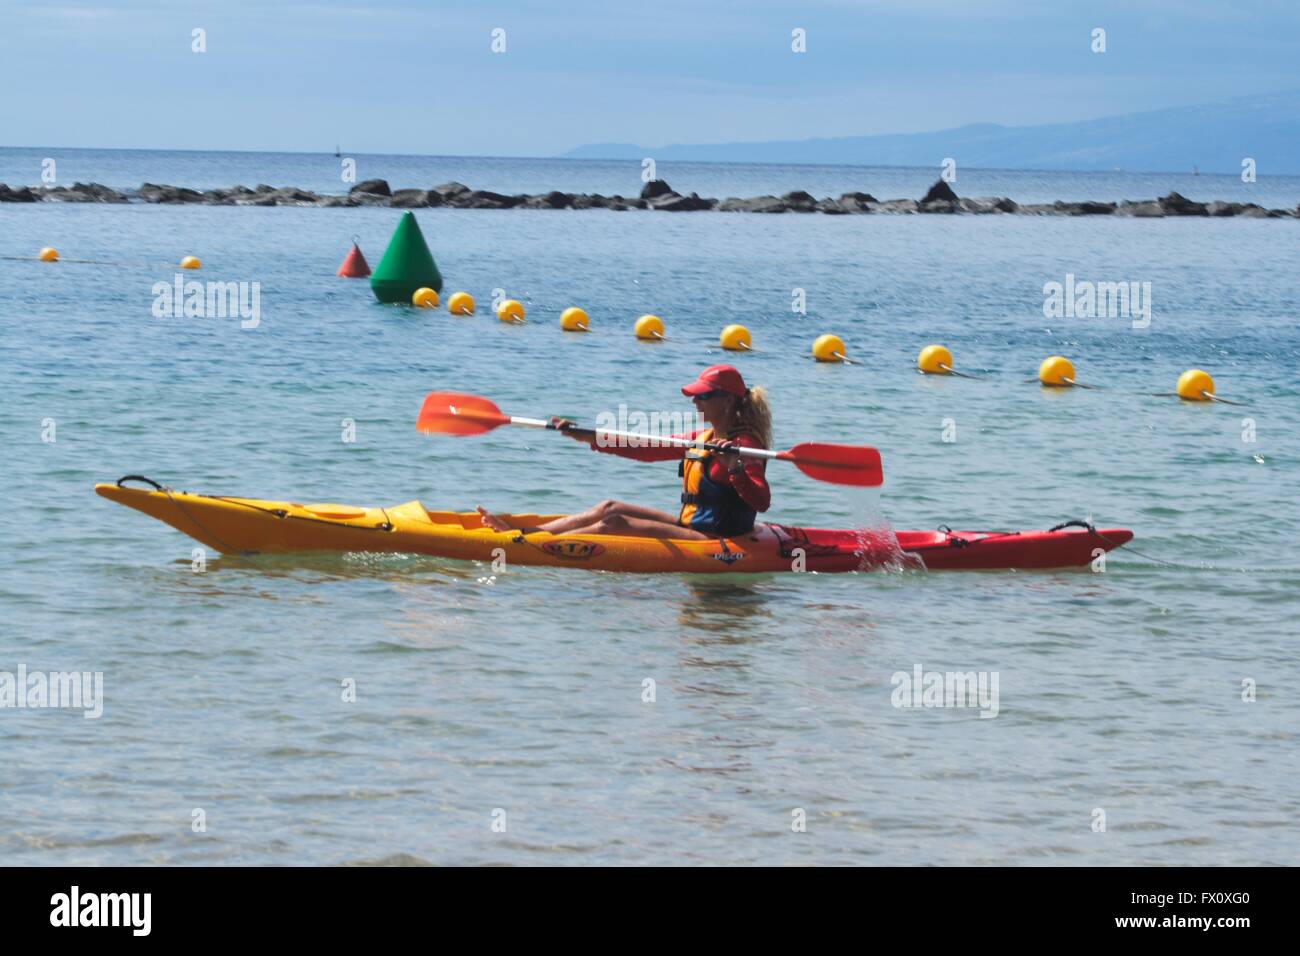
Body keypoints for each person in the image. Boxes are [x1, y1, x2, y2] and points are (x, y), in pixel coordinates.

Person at [477, 364, 772, 539]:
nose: (695, 402)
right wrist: (587, 436)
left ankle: (530, 548)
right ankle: (529, 534)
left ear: (728, 402)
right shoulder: (704, 437)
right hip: (693, 523)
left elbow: (761, 501)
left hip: (717, 537)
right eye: (695, 396)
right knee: (609, 508)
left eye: (703, 396)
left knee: (616, 524)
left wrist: (735, 468)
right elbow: (645, 448)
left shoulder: (746, 446)